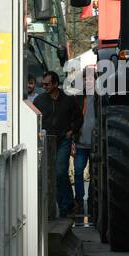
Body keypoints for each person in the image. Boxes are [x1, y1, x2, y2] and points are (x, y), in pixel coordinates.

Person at [33, 70, 83, 216]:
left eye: (47, 84)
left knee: (60, 172)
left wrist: (71, 131)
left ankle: (65, 207)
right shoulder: (39, 100)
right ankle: (66, 204)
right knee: (53, 175)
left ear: (55, 84)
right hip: (46, 141)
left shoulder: (68, 100)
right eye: (43, 84)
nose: (44, 87)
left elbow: (79, 118)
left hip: (63, 140)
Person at [73, 89, 95, 219]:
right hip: (80, 142)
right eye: (86, 79)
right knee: (78, 172)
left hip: (95, 143)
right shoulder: (78, 97)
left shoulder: (101, 97)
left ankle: (93, 200)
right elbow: (73, 118)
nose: (88, 82)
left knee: (95, 173)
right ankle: (79, 201)